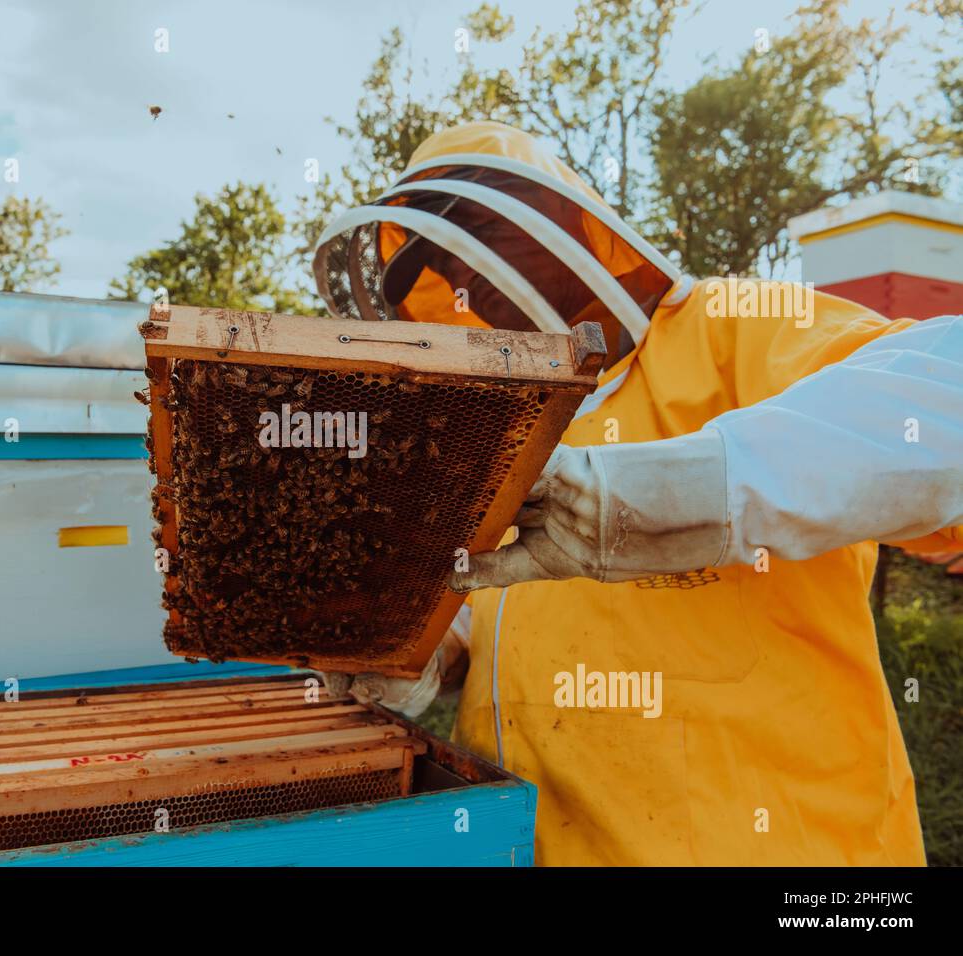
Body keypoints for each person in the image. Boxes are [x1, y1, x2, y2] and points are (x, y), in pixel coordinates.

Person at [313, 120, 963, 865]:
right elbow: (506, 602)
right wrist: (420, 650)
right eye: (441, 276)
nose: (474, 293)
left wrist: (691, 487)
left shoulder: (732, 330)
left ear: (567, 229)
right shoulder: (498, 435)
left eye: (488, 246)